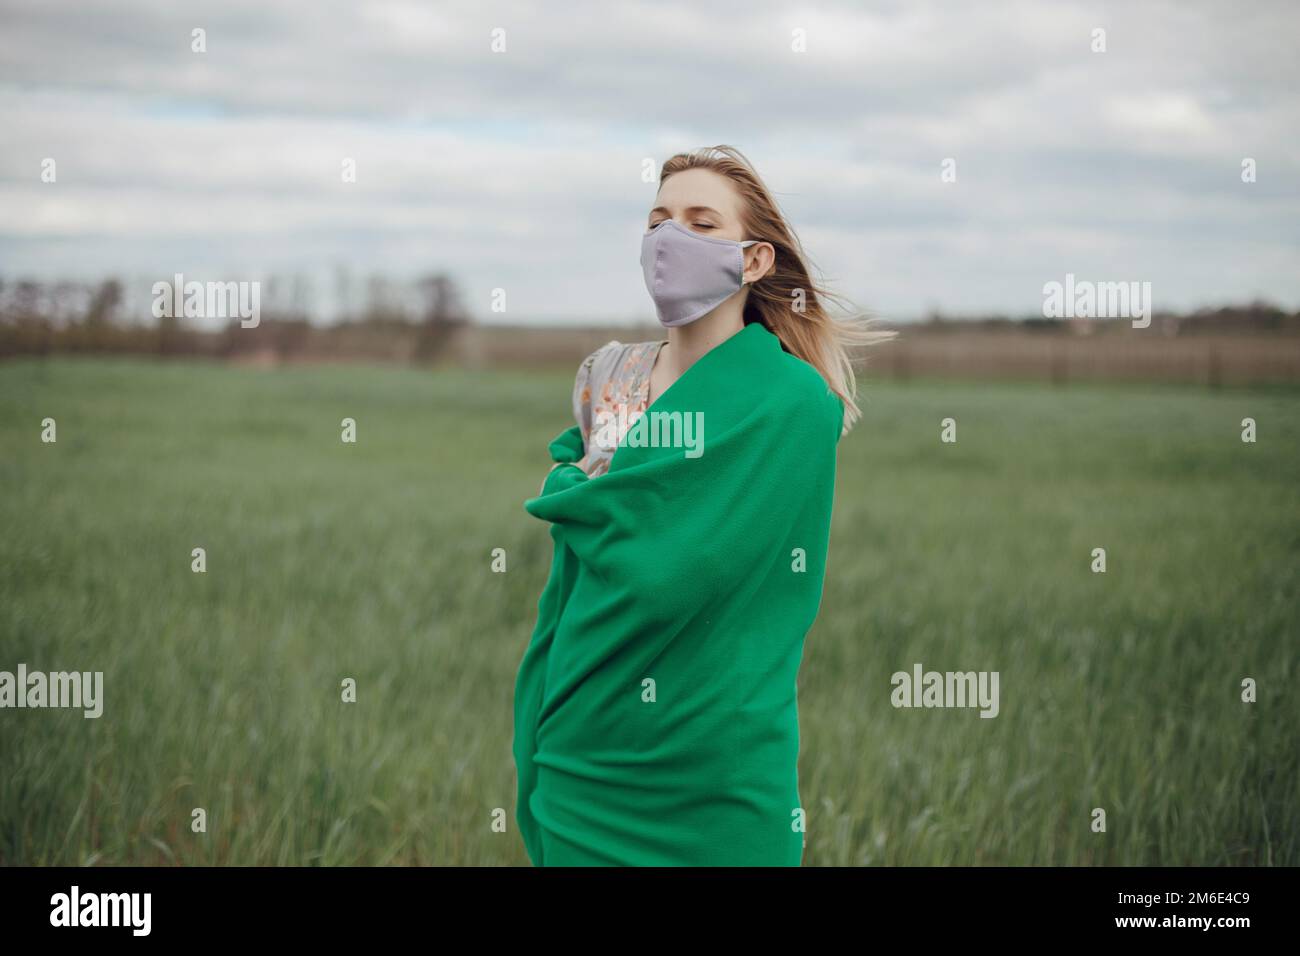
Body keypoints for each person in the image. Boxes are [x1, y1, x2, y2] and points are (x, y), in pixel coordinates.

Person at [513, 145, 893, 865]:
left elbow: (677, 564)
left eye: (700, 221)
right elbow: (592, 566)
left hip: (720, 777)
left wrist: (572, 493)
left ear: (753, 262)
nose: (669, 237)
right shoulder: (606, 377)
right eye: (658, 219)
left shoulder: (793, 405)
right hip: (582, 756)